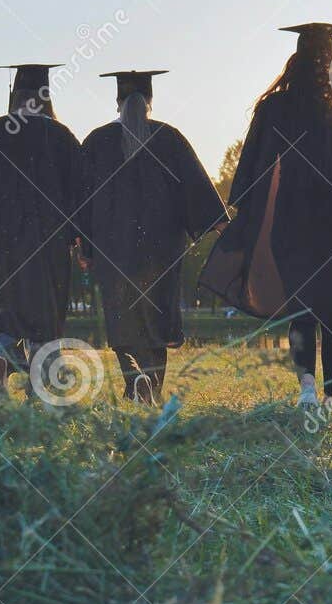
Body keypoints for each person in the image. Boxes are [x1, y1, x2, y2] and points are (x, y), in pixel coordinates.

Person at [200, 23, 332, 407]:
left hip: (292, 220)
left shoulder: (276, 107)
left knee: (301, 307)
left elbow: (254, 162)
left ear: (296, 59)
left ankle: (306, 390)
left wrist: (249, 210)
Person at [78, 70, 228, 405]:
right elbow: (195, 185)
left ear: (116, 102)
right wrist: (220, 224)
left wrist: (85, 247)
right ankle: (152, 387)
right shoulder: (170, 138)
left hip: (113, 248)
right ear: (150, 102)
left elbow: (82, 200)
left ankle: (135, 383)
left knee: (122, 318)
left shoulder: (97, 141)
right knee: (157, 315)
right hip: (162, 249)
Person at [0, 64, 83, 387]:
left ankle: (0, 353)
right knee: (45, 311)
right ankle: (43, 384)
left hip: (0, 242)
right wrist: (82, 239)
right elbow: (80, 193)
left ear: (13, 96)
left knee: (6, 308)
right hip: (49, 241)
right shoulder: (62, 136)